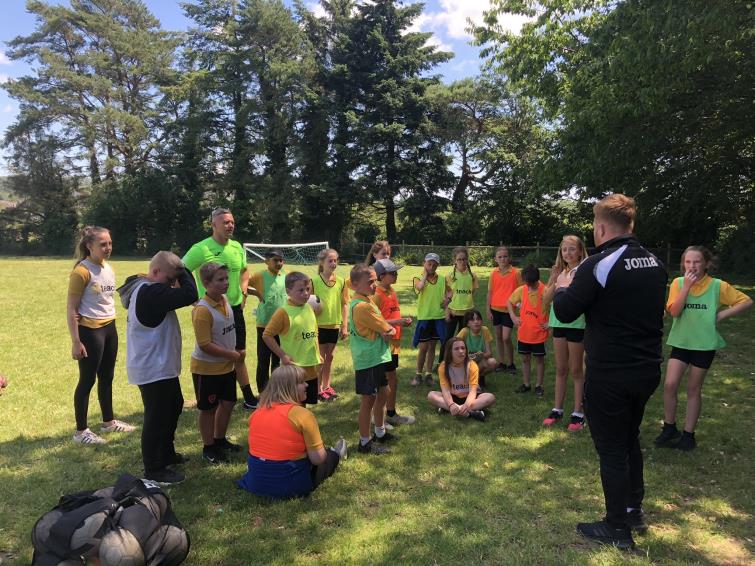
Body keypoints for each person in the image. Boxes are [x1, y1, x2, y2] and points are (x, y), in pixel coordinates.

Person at [553, 194, 667, 549]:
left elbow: (566, 311)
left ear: (601, 228)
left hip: (611, 373)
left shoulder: (599, 264)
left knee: (613, 449)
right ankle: (633, 510)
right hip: (647, 369)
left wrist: (561, 289)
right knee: (629, 438)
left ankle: (617, 528)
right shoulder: (655, 263)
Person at [655, 246, 752, 451]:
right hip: (681, 342)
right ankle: (669, 428)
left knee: (693, 388)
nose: (692, 266)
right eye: (688, 262)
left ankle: (688, 436)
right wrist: (686, 288)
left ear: (706, 264)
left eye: (697, 262)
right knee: (670, 385)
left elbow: (746, 301)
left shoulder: (717, 285)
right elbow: (674, 312)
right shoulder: (678, 283)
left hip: (704, 345)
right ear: (683, 264)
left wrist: (721, 315)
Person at [118, 251, 198, 485]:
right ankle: (154, 468)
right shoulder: (150, 292)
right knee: (157, 416)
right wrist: (184, 269)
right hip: (152, 367)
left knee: (173, 405)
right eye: (170, 279)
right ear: (155, 272)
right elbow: (190, 294)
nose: (173, 285)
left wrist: (175, 272)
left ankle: (166, 453)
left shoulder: (151, 288)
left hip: (160, 365)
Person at [182, 208, 258, 410]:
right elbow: (181, 270)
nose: (230, 225)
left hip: (234, 308)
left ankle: (248, 397)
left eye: (232, 222)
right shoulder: (201, 248)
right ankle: (213, 396)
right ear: (213, 225)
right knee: (216, 353)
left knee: (240, 352)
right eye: (225, 222)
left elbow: (244, 271)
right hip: (211, 310)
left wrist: (243, 292)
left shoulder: (236, 247)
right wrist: (194, 298)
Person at [66, 226, 134, 445]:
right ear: (89, 246)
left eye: (109, 243)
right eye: (102, 244)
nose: (108, 248)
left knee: (107, 377)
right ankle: (81, 432)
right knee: (87, 380)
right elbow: (71, 308)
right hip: (90, 331)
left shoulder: (108, 268)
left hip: (109, 329)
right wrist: (76, 341)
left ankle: (108, 422)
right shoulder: (81, 271)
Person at [236, 366, 347, 499]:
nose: (307, 385)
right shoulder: (303, 415)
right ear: (288, 387)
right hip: (290, 485)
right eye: (301, 382)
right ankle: (337, 453)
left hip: (256, 482)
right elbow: (318, 459)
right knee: (328, 457)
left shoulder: (256, 414)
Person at [190, 263, 243, 465]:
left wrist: (234, 351)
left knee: (228, 403)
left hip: (226, 367)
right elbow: (205, 345)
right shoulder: (202, 310)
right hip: (207, 369)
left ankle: (220, 440)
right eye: (220, 280)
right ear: (206, 283)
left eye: (226, 278)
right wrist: (232, 354)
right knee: (208, 409)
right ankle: (208, 447)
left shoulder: (224, 299)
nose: (226, 283)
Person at [348, 264, 397, 455]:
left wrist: (386, 330)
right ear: (354, 284)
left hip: (376, 357)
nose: (374, 285)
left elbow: (383, 326)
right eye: (369, 282)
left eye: (375, 280)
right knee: (368, 400)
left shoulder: (367, 300)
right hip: (368, 360)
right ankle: (365, 442)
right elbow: (387, 328)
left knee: (384, 391)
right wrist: (388, 330)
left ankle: (380, 432)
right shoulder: (361, 306)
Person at [542, 236, 588, 431]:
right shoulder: (560, 272)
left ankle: (578, 413)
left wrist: (565, 284)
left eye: (572, 249)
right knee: (561, 369)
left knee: (576, 369)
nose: (567, 253)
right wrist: (554, 280)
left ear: (580, 251)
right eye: (564, 250)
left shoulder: (584, 272)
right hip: (558, 323)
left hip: (577, 324)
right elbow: (546, 300)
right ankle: (557, 409)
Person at [262, 272, 323, 407]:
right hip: (294, 368)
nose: (306, 293)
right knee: (293, 405)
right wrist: (282, 355)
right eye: (300, 290)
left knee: (304, 403)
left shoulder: (309, 307)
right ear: (288, 291)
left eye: (307, 289)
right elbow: (267, 335)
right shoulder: (283, 312)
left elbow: (313, 332)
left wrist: (318, 354)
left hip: (311, 367)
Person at [373, 258, 415, 426]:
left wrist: (401, 322)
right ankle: (378, 418)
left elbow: (390, 315)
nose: (396, 274)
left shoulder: (391, 291)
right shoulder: (376, 295)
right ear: (381, 276)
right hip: (382, 344)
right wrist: (398, 322)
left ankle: (390, 414)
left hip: (393, 343)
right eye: (393, 273)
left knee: (392, 380)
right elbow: (374, 322)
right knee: (382, 382)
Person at [311, 248, 349, 401]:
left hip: (334, 325)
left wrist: (344, 325)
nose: (334, 263)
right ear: (322, 262)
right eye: (330, 261)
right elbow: (308, 304)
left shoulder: (341, 281)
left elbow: (345, 304)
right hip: (318, 326)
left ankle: (327, 386)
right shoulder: (314, 281)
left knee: (330, 357)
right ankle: (318, 389)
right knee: (320, 358)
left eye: (335, 260)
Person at [427, 337, 495, 421]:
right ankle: (470, 413)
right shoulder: (443, 366)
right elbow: (445, 390)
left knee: (490, 397)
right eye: (456, 349)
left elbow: (473, 391)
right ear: (450, 352)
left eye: (463, 348)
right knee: (431, 395)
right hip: (453, 397)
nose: (461, 351)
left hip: (471, 398)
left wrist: (466, 405)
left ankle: (449, 409)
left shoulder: (472, 365)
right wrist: (451, 404)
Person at [248, 249, 287, 394]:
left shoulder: (285, 277)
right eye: (275, 260)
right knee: (263, 360)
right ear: (266, 261)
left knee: (278, 360)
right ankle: (263, 392)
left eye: (281, 260)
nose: (279, 263)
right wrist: (257, 293)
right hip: (264, 324)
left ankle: (277, 390)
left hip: (281, 326)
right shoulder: (260, 275)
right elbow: (243, 284)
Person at [508, 265, 548, 397]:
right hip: (524, 334)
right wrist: (513, 316)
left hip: (539, 334)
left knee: (539, 360)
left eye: (531, 283)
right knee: (525, 359)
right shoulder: (521, 290)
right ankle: (526, 384)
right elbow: (509, 302)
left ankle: (539, 385)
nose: (528, 286)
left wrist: (550, 323)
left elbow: (555, 306)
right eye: (527, 283)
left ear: (537, 280)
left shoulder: (545, 291)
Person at [411, 253, 451, 386]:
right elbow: (420, 287)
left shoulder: (442, 279)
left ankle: (428, 374)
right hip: (425, 318)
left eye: (434, 265)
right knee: (423, 347)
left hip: (438, 317)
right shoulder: (418, 278)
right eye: (429, 264)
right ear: (424, 263)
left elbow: (450, 291)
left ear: (438, 265)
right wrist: (425, 274)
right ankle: (418, 374)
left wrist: (448, 299)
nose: (431, 267)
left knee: (432, 347)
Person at [487, 246, 522, 374]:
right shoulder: (493, 273)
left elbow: (522, 291)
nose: (503, 259)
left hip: (509, 310)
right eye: (500, 257)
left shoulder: (516, 273)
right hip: (495, 309)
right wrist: (488, 309)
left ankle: (511, 363)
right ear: (495, 259)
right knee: (498, 336)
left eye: (505, 256)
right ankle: (502, 363)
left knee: (506, 337)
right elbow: (490, 292)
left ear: (509, 258)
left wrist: (521, 308)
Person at [444, 246, 478, 350]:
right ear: (455, 260)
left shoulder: (472, 276)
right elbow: (446, 296)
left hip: (466, 314)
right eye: (459, 259)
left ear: (467, 259)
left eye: (464, 259)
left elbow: (472, 293)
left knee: (462, 340)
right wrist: (447, 312)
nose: (462, 262)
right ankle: (443, 359)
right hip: (453, 312)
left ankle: (460, 359)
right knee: (447, 338)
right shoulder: (449, 276)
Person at [456, 310, 497, 386]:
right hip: (466, 360)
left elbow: (489, 353)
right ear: (467, 324)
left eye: (478, 319)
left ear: (481, 321)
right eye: (472, 320)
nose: (476, 322)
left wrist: (482, 355)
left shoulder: (485, 330)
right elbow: (455, 349)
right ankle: (469, 380)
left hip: (480, 359)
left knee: (492, 362)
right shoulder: (464, 331)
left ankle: (478, 378)